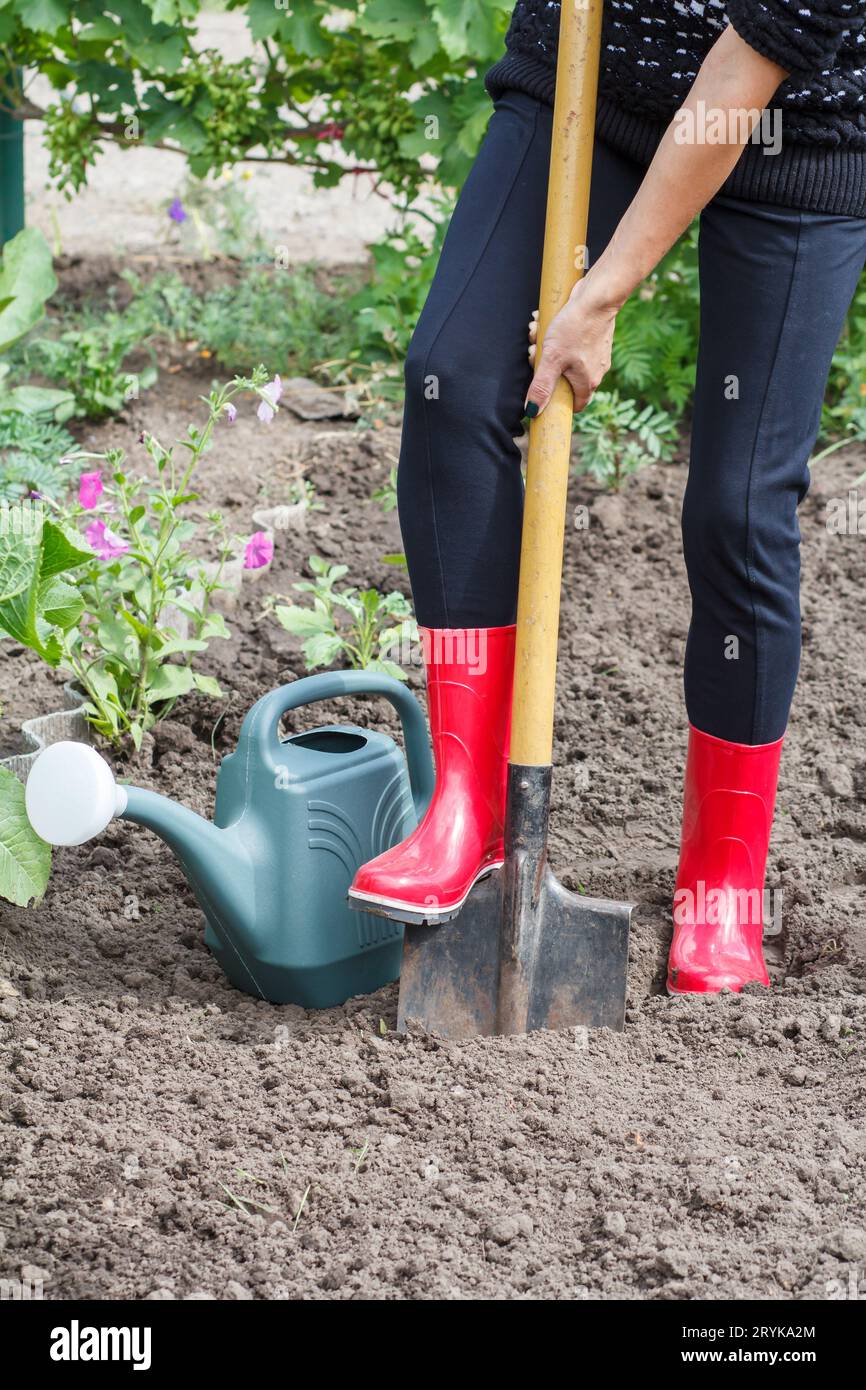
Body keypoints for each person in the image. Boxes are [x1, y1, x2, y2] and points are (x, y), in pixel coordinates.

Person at [349, 1, 866, 994]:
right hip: (597, 76)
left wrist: (602, 292)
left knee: (737, 506)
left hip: (794, 130)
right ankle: (466, 805)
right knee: (448, 381)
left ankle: (721, 888)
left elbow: (740, 80)